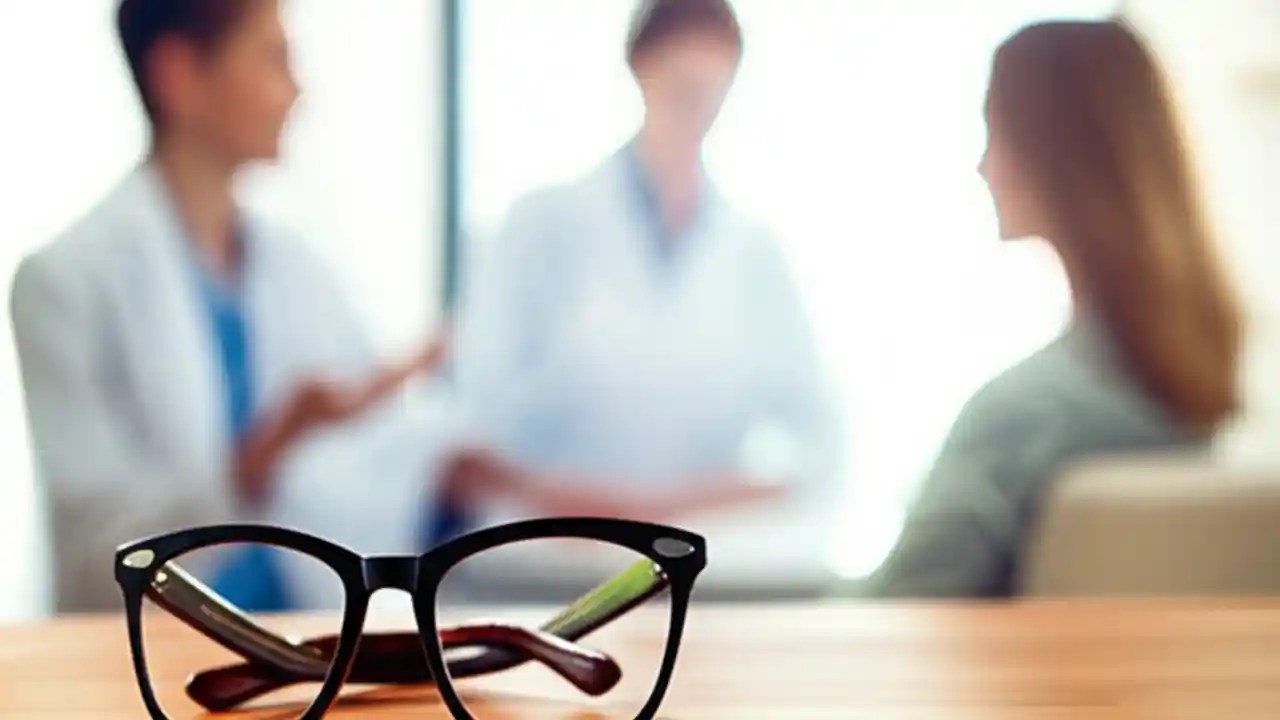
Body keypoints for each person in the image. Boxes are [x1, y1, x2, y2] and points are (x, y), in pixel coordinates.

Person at [10, 0, 466, 611]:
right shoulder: (64, 281)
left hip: (302, 638)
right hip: (138, 651)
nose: (296, 91)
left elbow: (384, 461)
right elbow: (94, 548)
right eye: (273, 59)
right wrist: (266, 451)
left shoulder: (295, 266)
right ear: (179, 75)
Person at [454, 0, 843, 589]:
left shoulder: (753, 251)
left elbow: (821, 441)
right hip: (546, 570)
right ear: (640, 64)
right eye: (682, 65)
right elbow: (469, 423)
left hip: (704, 570)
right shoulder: (543, 223)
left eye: (714, 72)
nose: (699, 90)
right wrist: (581, 502)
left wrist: (682, 505)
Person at [865, 20, 1242, 597]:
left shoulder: (1029, 412)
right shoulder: (1189, 391)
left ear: (1055, 154)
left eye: (995, 134)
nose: (983, 167)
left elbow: (895, 607)